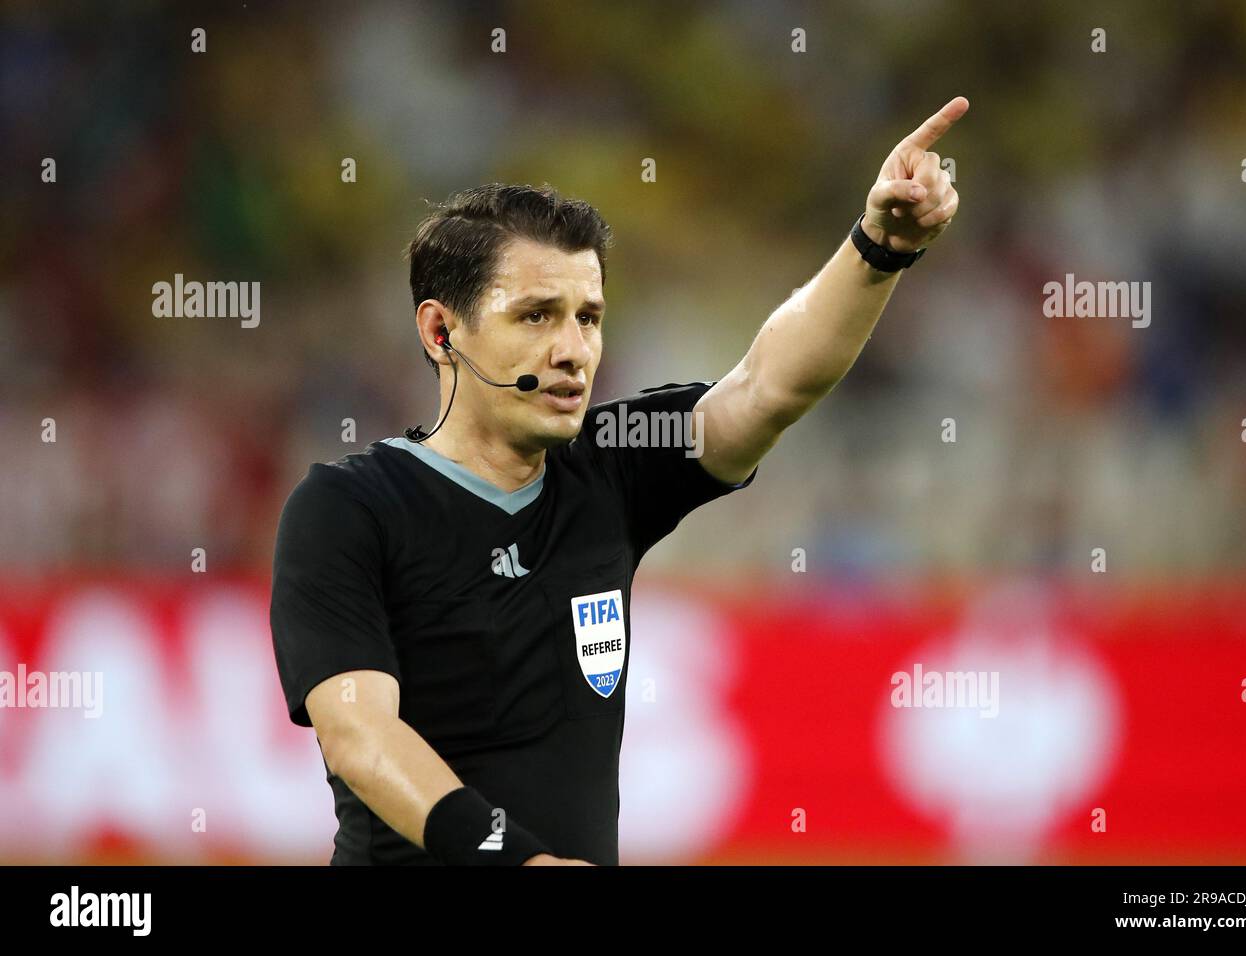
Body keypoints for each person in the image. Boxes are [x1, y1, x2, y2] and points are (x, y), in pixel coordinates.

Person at [270, 97, 968, 865]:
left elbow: (766, 389)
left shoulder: (616, 460)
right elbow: (360, 736)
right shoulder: (349, 509)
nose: (575, 349)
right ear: (442, 333)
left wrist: (878, 250)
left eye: (589, 316)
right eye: (537, 316)